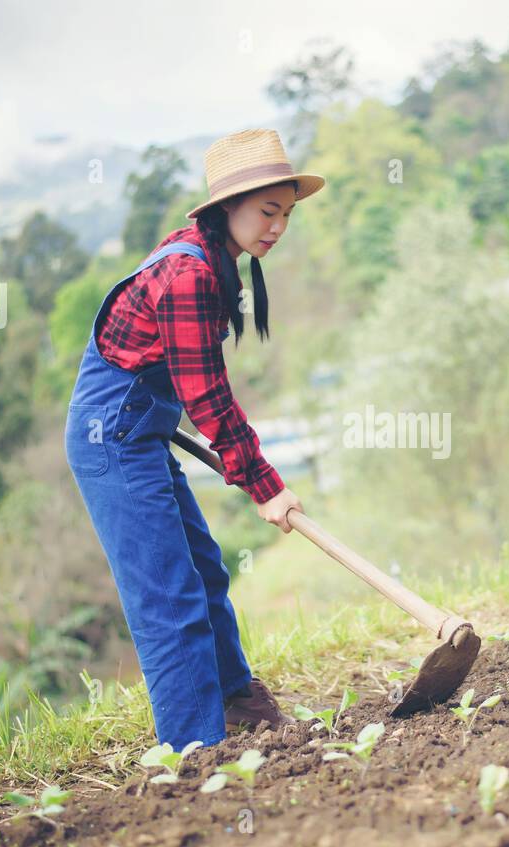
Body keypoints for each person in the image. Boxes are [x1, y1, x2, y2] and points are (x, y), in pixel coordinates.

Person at [63, 128, 326, 749]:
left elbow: (194, 385)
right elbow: (206, 396)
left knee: (205, 569)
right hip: (113, 441)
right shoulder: (187, 273)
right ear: (225, 208)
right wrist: (267, 485)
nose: (278, 227)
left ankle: (236, 702)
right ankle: (194, 747)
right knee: (169, 595)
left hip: (142, 430)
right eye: (268, 211)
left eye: (286, 213)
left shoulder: (211, 258)